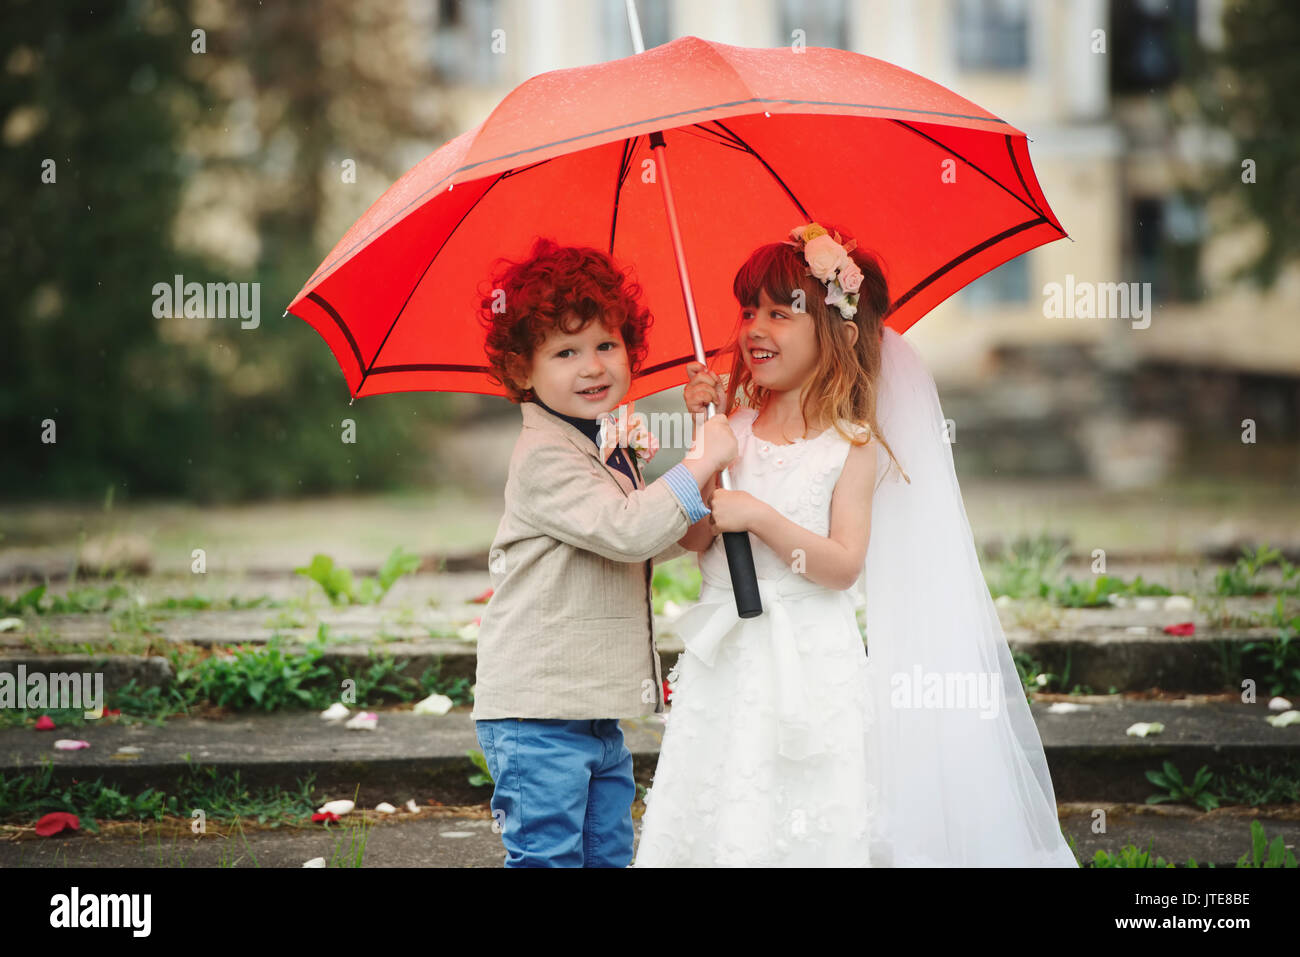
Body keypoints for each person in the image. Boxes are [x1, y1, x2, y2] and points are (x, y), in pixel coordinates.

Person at [633, 222, 1078, 867]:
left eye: (781, 314)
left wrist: (760, 515)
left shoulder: (851, 445)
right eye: (748, 311)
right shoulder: (733, 427)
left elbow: (841, 566)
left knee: (810, 808)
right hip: (725, 659)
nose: (756, 327)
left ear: (835, 333)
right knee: (720, 798)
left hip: (812, 658)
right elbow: (698, 536)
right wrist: (702, 455)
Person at [472, 236, 738, 867]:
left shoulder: (600, 444)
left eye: (606, 345)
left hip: (593, 710)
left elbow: (661, 533)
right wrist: (699, 462)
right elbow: (627, 530)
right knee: (550, 856)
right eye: (566, 351)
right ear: (520, 371)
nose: (592, 366)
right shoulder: (543, 457)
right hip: (538, 714)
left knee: (607, 852)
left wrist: (704, 436)